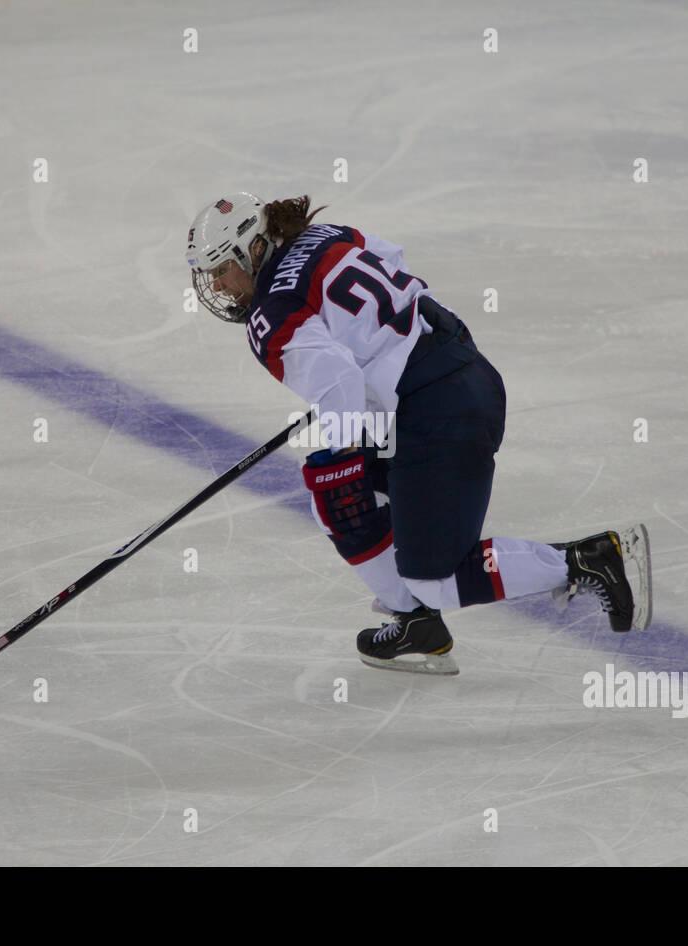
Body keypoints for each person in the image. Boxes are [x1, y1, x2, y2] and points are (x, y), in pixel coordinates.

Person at [185, 192, 651, 675]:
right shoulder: (328, 235)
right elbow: (397, 268)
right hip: (457, 376)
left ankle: (590, 560)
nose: (218, 285)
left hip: (439, 412)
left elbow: (339, 379)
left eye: (221, 270)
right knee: (341, 507)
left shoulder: (270, 314)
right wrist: (375, 369)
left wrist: (344, 441)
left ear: (254, 248)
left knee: (433, 574)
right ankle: (416, 623)